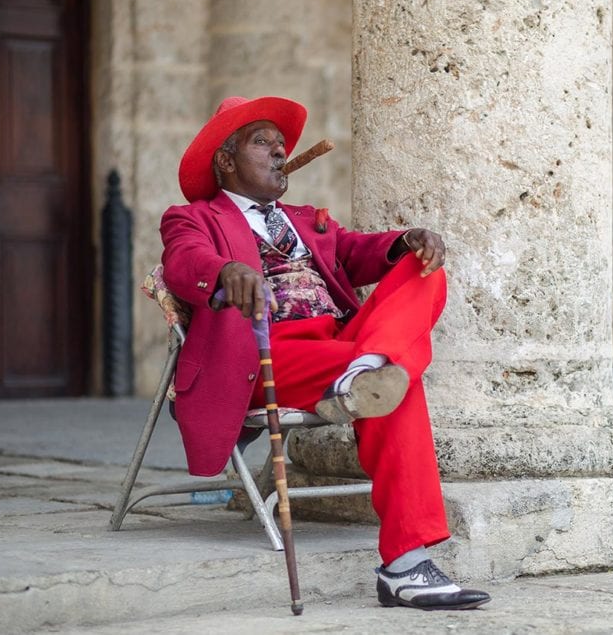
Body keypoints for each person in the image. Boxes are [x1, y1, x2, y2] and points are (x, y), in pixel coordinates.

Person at [159, 96, 490, 611]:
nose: (278, 152)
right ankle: (406, 565)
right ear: (226, 161)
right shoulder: (194, 218)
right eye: (262, 142)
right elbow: (184, 261)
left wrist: (407, 240)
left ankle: (367, 364)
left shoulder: (303, 219)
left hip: (337, 344)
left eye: (281, 145)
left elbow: (355, 252)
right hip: (265, 354)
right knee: (399, 387)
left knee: (425, 268)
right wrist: (226, 270)